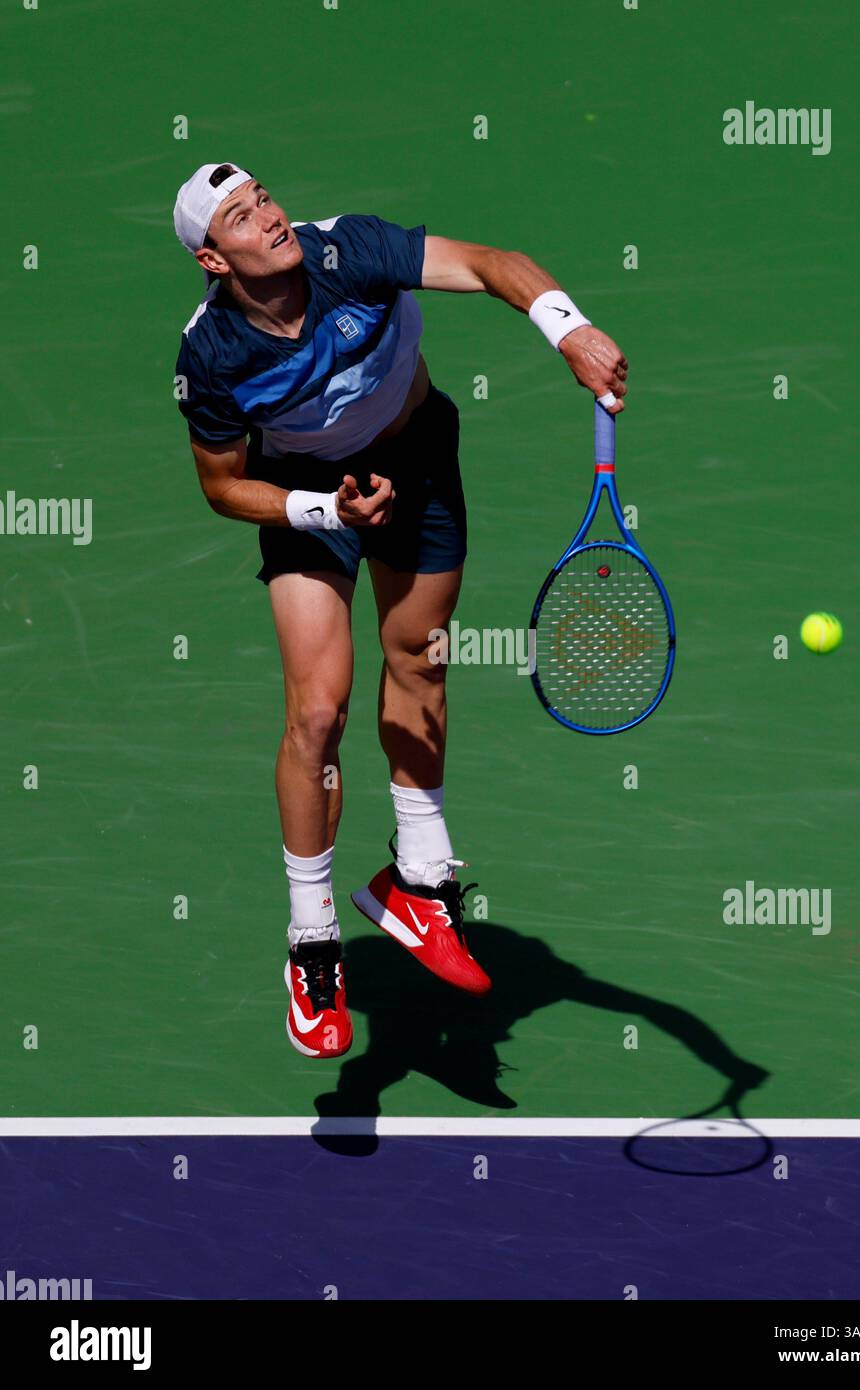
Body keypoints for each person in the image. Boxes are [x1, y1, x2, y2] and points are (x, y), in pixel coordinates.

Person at [172, 162, 628, 1059]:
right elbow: (224, 487)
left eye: (262, 195)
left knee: (418, 655)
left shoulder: (353, 251)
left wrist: (568, 332)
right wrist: (322, 511)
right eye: (239, 214)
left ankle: (418, 883)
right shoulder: (212, 356)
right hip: (309, 497)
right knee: (317, 711)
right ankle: (312, 944)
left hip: (415, 459)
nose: (267, 213)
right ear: (212, 259)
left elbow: (495, 263)